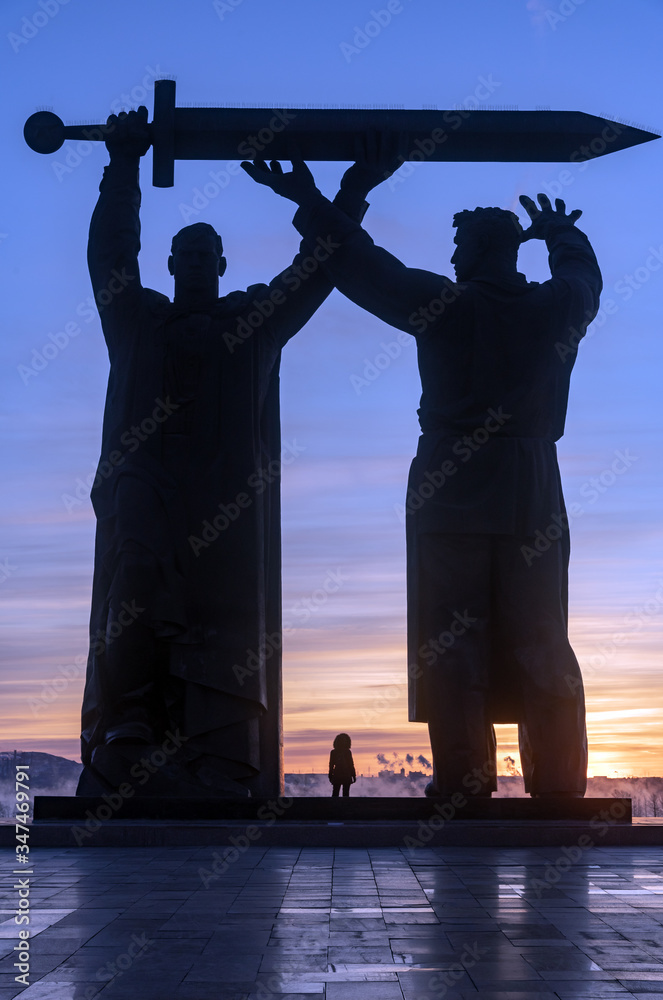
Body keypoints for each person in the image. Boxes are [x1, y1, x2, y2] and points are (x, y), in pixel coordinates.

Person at [255, 145, 602, 799]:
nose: (454, 257)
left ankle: (466, 779)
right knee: (541, 634)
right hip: (530, 480)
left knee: (452, 637)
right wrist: (562, 233)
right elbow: (586, 282)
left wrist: (312, 201)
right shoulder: (553, 309)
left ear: (480, 250)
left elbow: (362, 267)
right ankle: (558, 783)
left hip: (454, 483)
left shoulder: (445, 305)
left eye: (461, 244)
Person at [77, 108, 370, 798]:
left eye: (211, 256)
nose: (200, 265)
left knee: (225, 619)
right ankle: (129, 731)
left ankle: (219, 753)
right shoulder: (137, 318)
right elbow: (109, 255)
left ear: (223, 265)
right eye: (189, 256)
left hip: (224, 494)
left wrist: (348, 194)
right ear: (172, 264)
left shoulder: (254, 321)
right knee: (138, 590)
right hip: (145, 482)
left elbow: (318, 268)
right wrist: (122, 168)